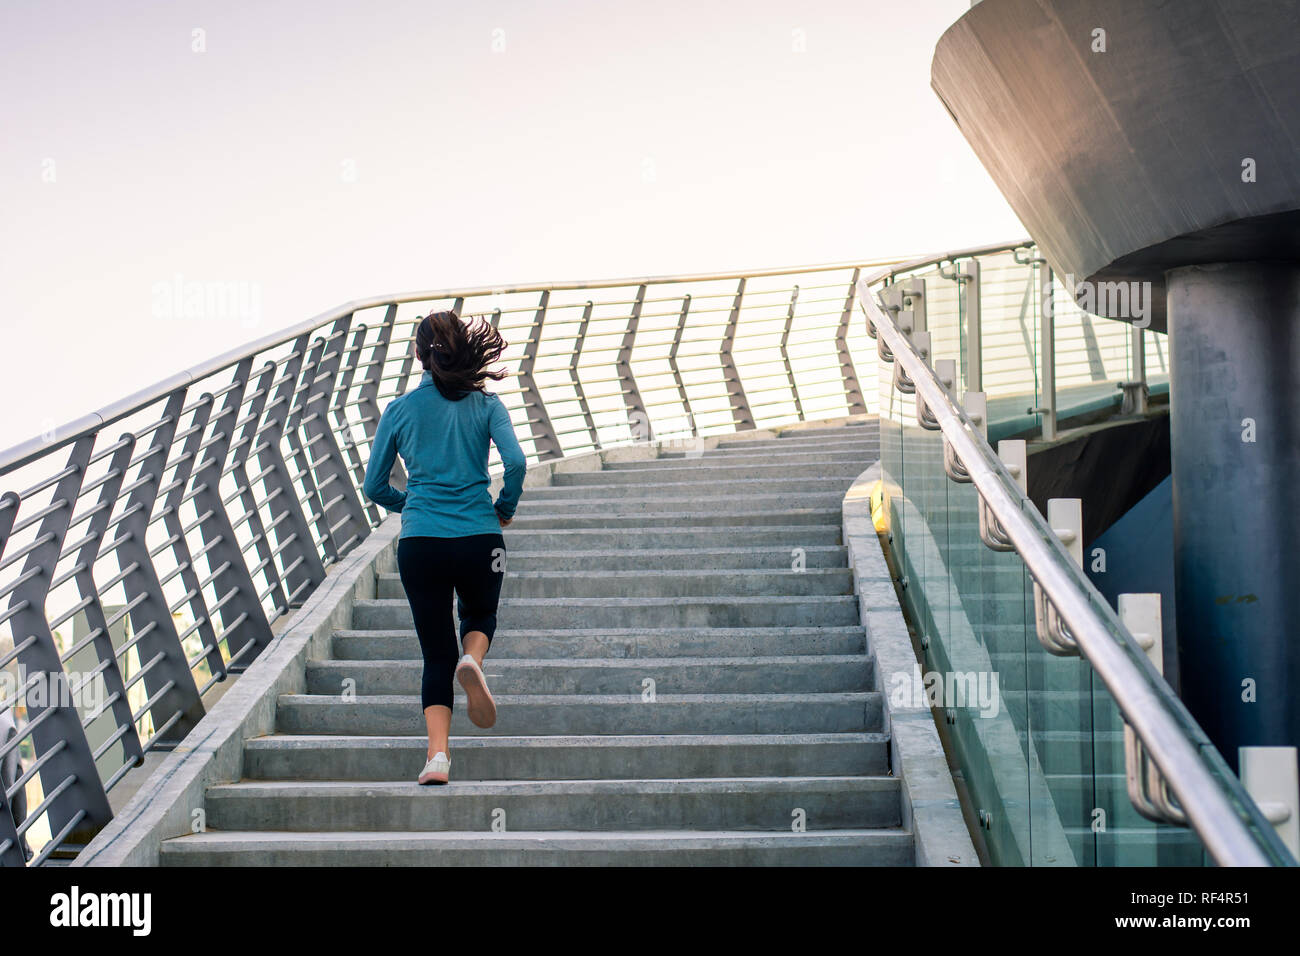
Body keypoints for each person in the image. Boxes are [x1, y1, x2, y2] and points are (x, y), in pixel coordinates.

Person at [362, 310, 526, 785]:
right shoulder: (487, 405)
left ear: (419, 355)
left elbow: (374, 486)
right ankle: (472, 658)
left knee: (435, 654)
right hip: (481, 539)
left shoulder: (400, 410)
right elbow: (515, 463)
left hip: (421, 545)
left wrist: (410, 502)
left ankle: (437, 758)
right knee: (480, 617)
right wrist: (504, 507)